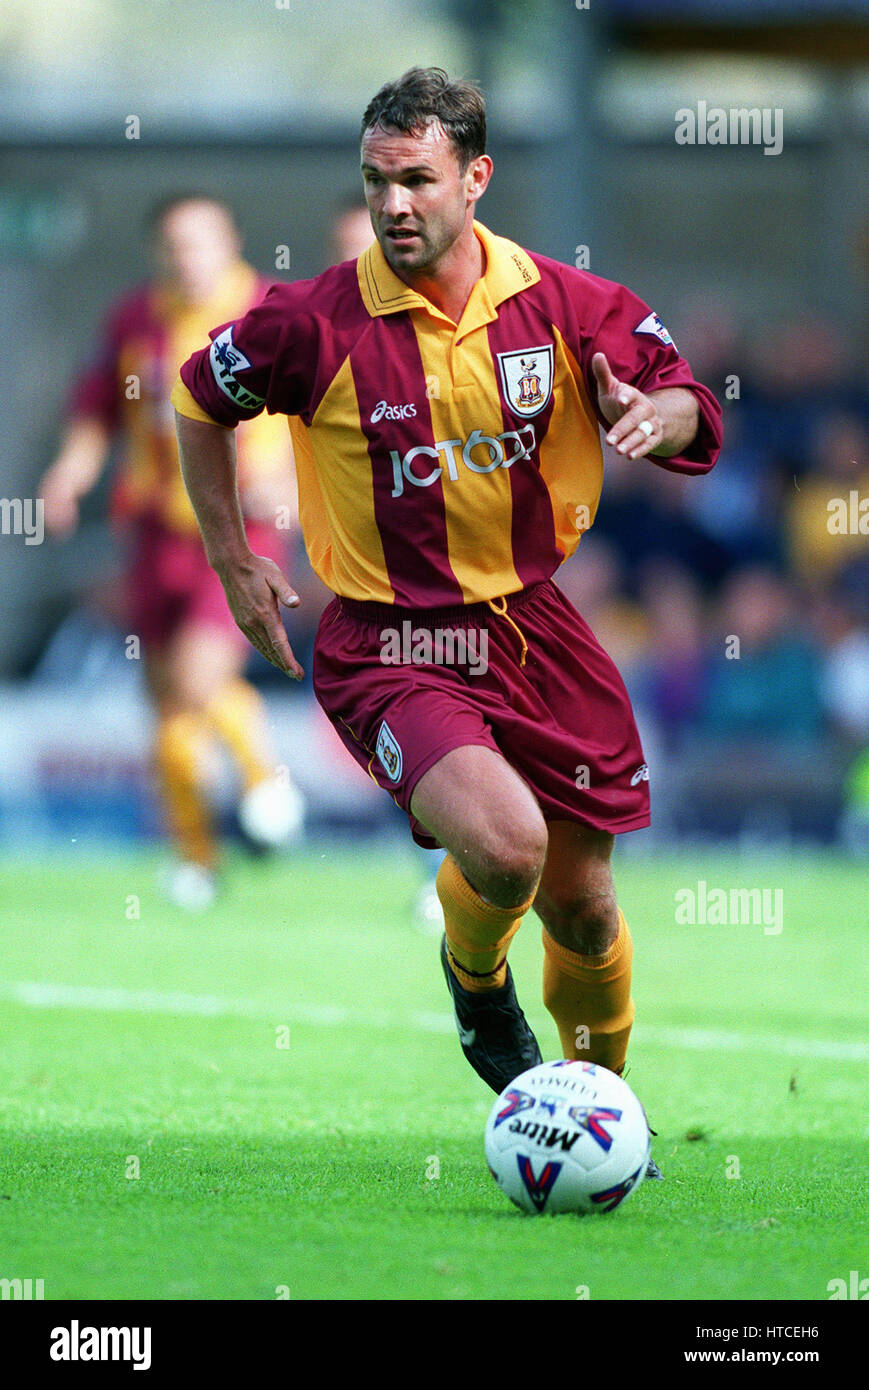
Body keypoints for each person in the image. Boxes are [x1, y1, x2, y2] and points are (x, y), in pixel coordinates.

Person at [172, 69, 722, 1176]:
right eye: (375, 181)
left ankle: (601, 1112)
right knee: (509, 849)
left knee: (581, 905)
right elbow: (196, 398)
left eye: (415, 180)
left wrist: (647, 418)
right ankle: (477, 989)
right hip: (389, 643)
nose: (392, 205)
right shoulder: (311, 321)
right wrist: (234, 559)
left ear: (474, 178)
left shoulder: (565, 303)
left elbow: (686, 403)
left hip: (536, 629)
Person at [39, 194, 304, 909]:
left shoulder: (271, 312)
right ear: (159, 252)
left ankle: (262, 780)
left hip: (240, 530)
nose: (188, 259)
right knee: (164, 701)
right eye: (175, 246)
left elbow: (322, 410)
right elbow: (96, 411)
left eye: (202, 243)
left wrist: (287, 483)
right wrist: (70, 472)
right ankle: (196, 858)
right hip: (154, 530)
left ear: (232, 241)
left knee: (196, 680)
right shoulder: (136, 320)